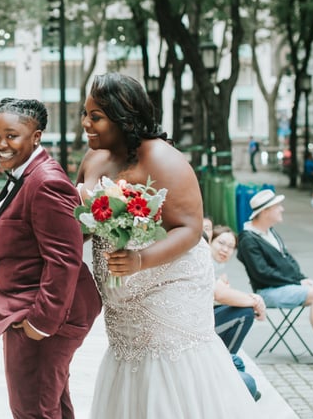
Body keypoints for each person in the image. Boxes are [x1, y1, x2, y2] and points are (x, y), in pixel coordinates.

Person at [76, 73, 259, 417]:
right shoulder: (92, 159)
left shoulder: (162, 159)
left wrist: (139, 261)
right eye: (84, 114)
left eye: (95, 116)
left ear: (123, 117)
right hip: (121, 299)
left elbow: (190, 229)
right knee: (130, 369)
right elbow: (82, 220)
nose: (86, 123)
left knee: (167, 370)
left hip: (167, 288)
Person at [0, 98, 101, 419]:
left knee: (32, 408)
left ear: (36, 137)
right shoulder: (26, 174)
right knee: (49, 404)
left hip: (47, 316)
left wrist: (40, 322)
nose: (1, 144)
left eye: (11, 135)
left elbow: (64, 259)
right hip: (28, 307)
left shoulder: (45, 182)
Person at [237, 189, 313, 370]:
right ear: (265, 212)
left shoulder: (270, 232)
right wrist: (297, 282)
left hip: (287, 285)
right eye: (277, 207)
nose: (282, 209)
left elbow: (289, 260)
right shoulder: (248, 239)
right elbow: (262, 273)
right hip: (267, 291)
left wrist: (301, 278)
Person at [210, 225, 265, 402]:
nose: (225, 249)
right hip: (198, 325)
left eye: (230, 246)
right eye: (221, 243)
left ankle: (229, 365)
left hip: (204, 318)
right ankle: (227, 365)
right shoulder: (206, 264)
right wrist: (255, 302)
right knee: (244, 314)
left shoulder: (219, 269)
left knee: (243, 310)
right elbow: (221, 295)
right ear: (210, 241)